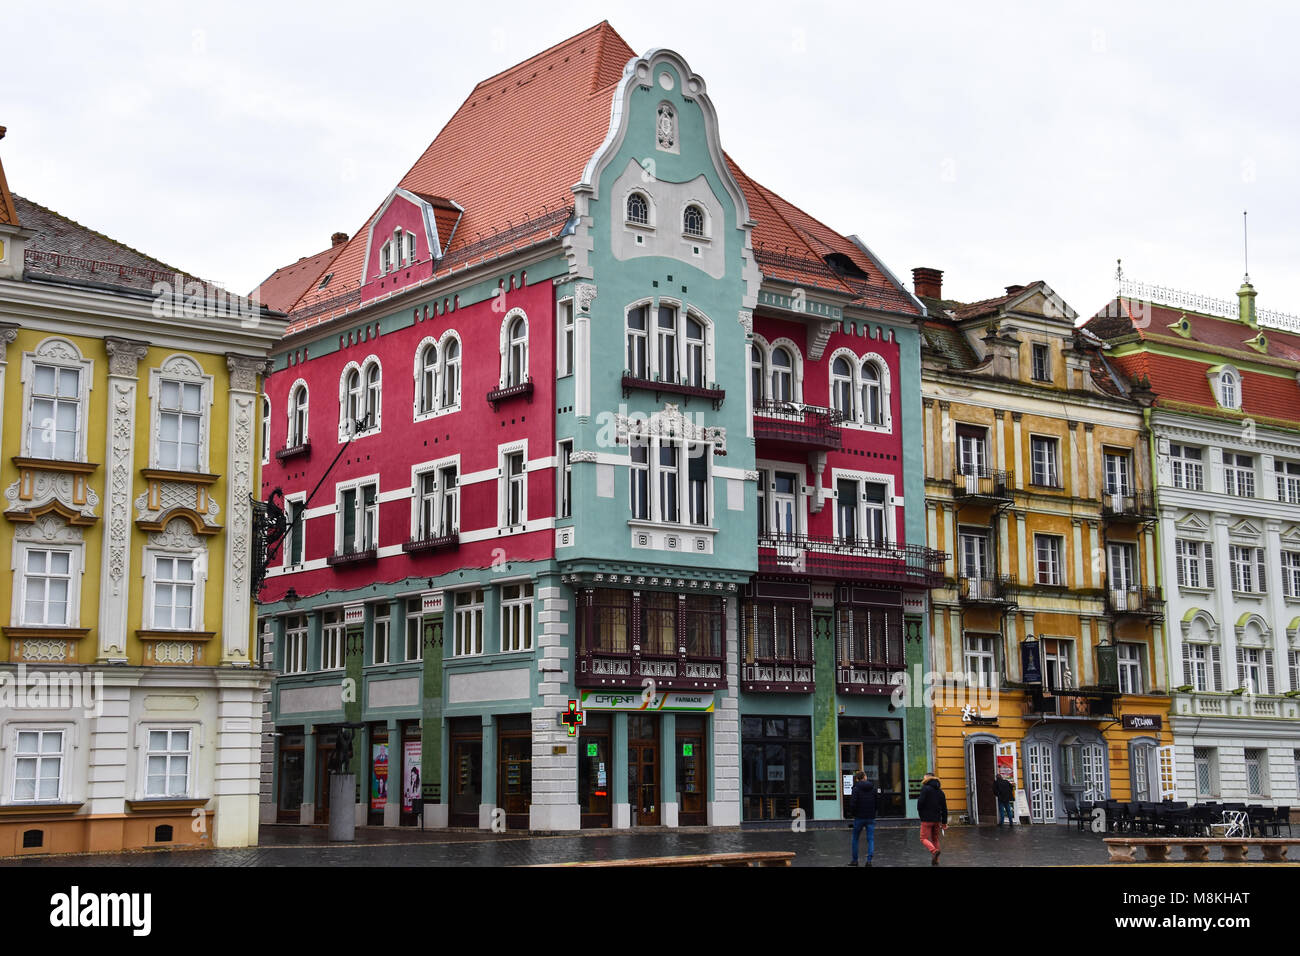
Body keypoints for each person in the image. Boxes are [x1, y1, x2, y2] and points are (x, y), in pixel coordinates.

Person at [846, 770, 878, 866]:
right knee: (870, 839)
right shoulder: (873, 788)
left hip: (859, 817)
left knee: (855, 838)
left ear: (857, 778)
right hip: (870, 817)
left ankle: (855, 860)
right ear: (865, 777)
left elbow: (853, 803)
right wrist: (873, 812)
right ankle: (869, 861)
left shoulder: (856, 789)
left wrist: (854, 813)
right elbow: (877, 802)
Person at [917, 773, 948, 864]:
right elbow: (944, 809)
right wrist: (944, 822)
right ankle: (936, 860)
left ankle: (934, 851)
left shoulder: (925, 789)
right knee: (935, 839)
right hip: (937, 820)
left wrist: (921, 814)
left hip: (926, 819)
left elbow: (920, 804)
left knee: (923, 838)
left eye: (924, 778)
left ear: (927, 779)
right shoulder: (940, 792)